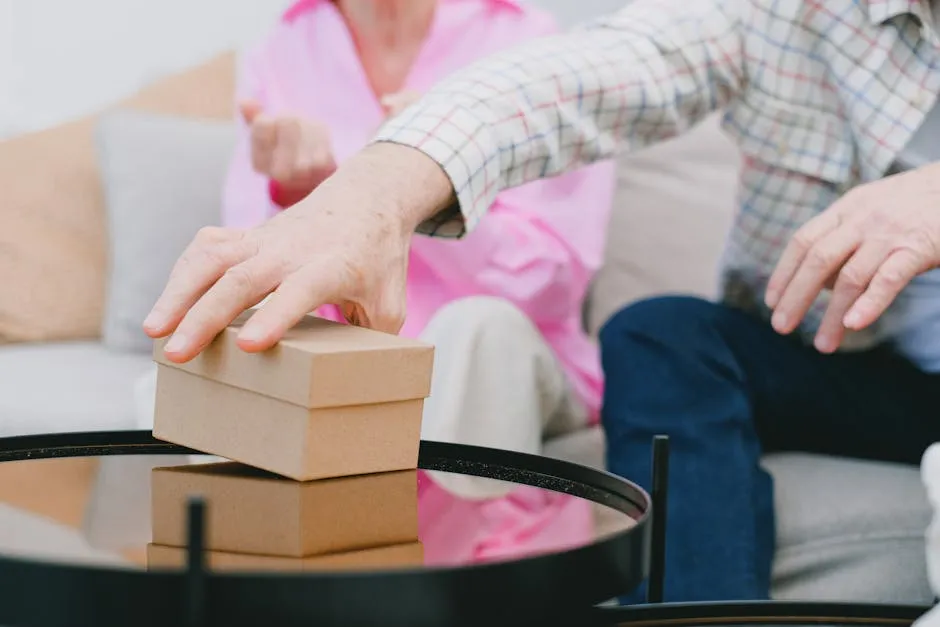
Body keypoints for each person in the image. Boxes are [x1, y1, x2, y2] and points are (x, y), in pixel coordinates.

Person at [143, 0, 940, 602]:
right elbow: (582, 80)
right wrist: (373, 192)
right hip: (851, 363)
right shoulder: (786, 13)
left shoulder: (510, 21)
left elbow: (544, 277)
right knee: (658, 333)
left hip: (483, 342)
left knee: (479, 334)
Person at [138, 0, 615, 564]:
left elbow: (549, 285)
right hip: (347, 353)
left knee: (478, 332)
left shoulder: (526, 39)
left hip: (504, 348)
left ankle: (465, 593)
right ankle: (256, 582)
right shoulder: (287, 44)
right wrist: (308, 197)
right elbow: (250, 282)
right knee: (169, 385)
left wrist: (419, 191)